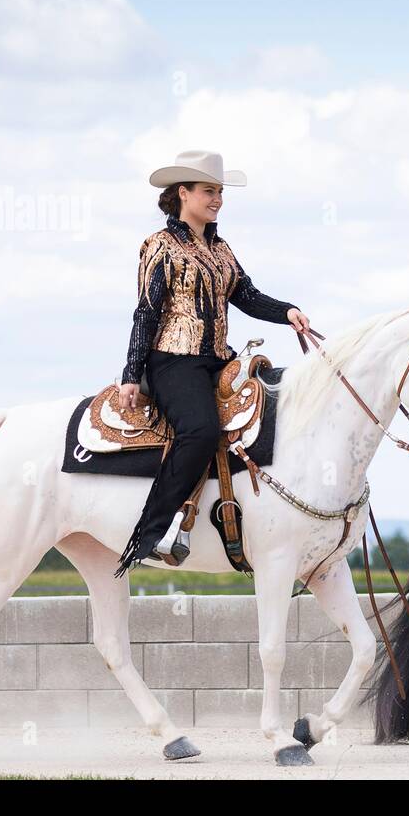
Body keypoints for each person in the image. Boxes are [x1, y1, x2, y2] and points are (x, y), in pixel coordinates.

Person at [113, 150, 309, 576]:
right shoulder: (159, 246)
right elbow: (146, 312)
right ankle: (153, 533)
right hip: (173, 362)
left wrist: (288, 311)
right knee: (200, 430)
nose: (217, 198)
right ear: (183, 193)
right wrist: (132, 374)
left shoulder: (220, 249)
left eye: (220, 191)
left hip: (219, 359)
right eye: (209, 191)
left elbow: (248, 297)